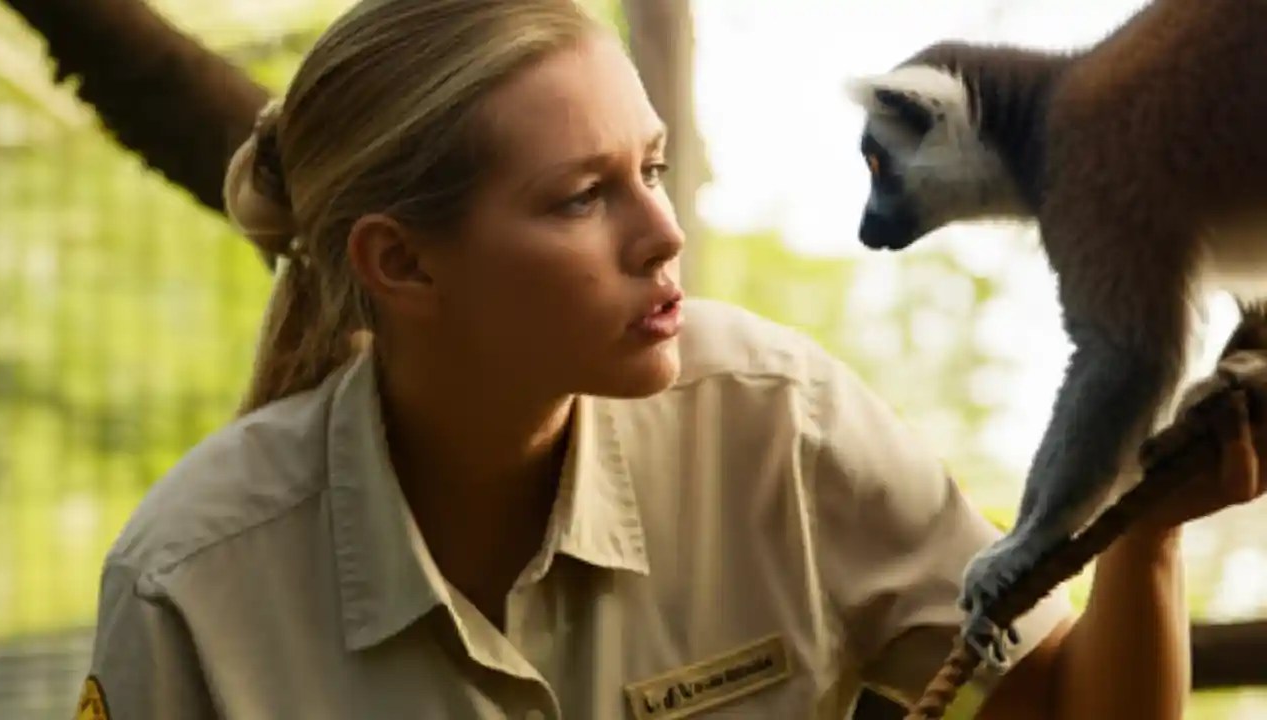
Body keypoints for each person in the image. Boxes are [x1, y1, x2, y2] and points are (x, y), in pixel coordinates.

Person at [75, 1, 1266, 718]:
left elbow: (1058, 713)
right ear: (401, 263)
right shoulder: (192, 590)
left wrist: (1144, 533)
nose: (663, 231)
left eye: (649, 167)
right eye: (582, 196)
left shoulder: (777, 428)